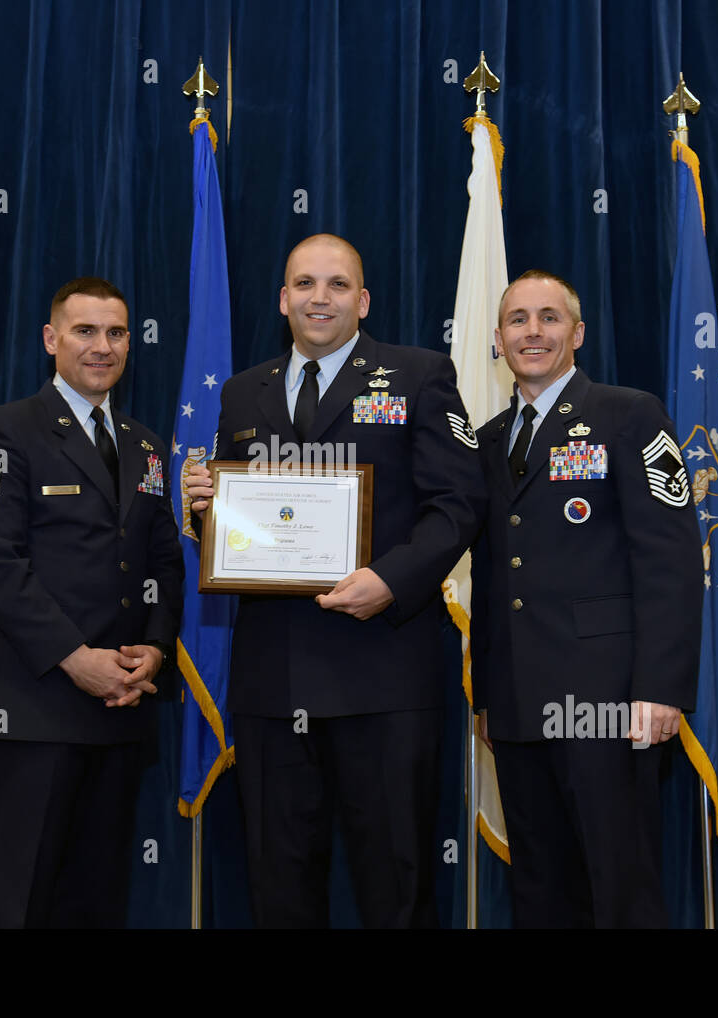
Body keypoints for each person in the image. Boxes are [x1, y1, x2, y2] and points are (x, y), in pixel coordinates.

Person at [185, 233, 486, 927]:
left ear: (364, 300)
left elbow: (460, 503)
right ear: (283, 298)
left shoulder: (418, 375)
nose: (321, 297)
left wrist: (391, 579)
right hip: (272, 679)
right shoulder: (240, 392)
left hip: (383, 672)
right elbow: (237, 532)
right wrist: (205, 511)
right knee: (278, 886)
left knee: (395, 886)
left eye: (338, 284)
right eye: (306, 284)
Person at [469, 269, 703, 928]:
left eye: (548, 318)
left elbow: (671, 560)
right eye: (518, 320)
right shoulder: (489, 440)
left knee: (619, 887)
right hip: (517, 706)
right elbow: (492, 573)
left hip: (608, 702)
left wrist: (661, 688)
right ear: (498, 339)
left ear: (577, 333)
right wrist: (487, 696)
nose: (532, 332)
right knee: (541, 891)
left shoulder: (630, 414)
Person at [0, 276, 183, 927]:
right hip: (37, 708)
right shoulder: (7, 429)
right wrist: (74, 658)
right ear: (52, 339)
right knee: (20, 897)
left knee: (98, 899)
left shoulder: (143, 443)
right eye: (85, 331)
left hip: (121, 708)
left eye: (116, 333)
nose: (102, 347)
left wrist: (158, 648)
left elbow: (163, 561)